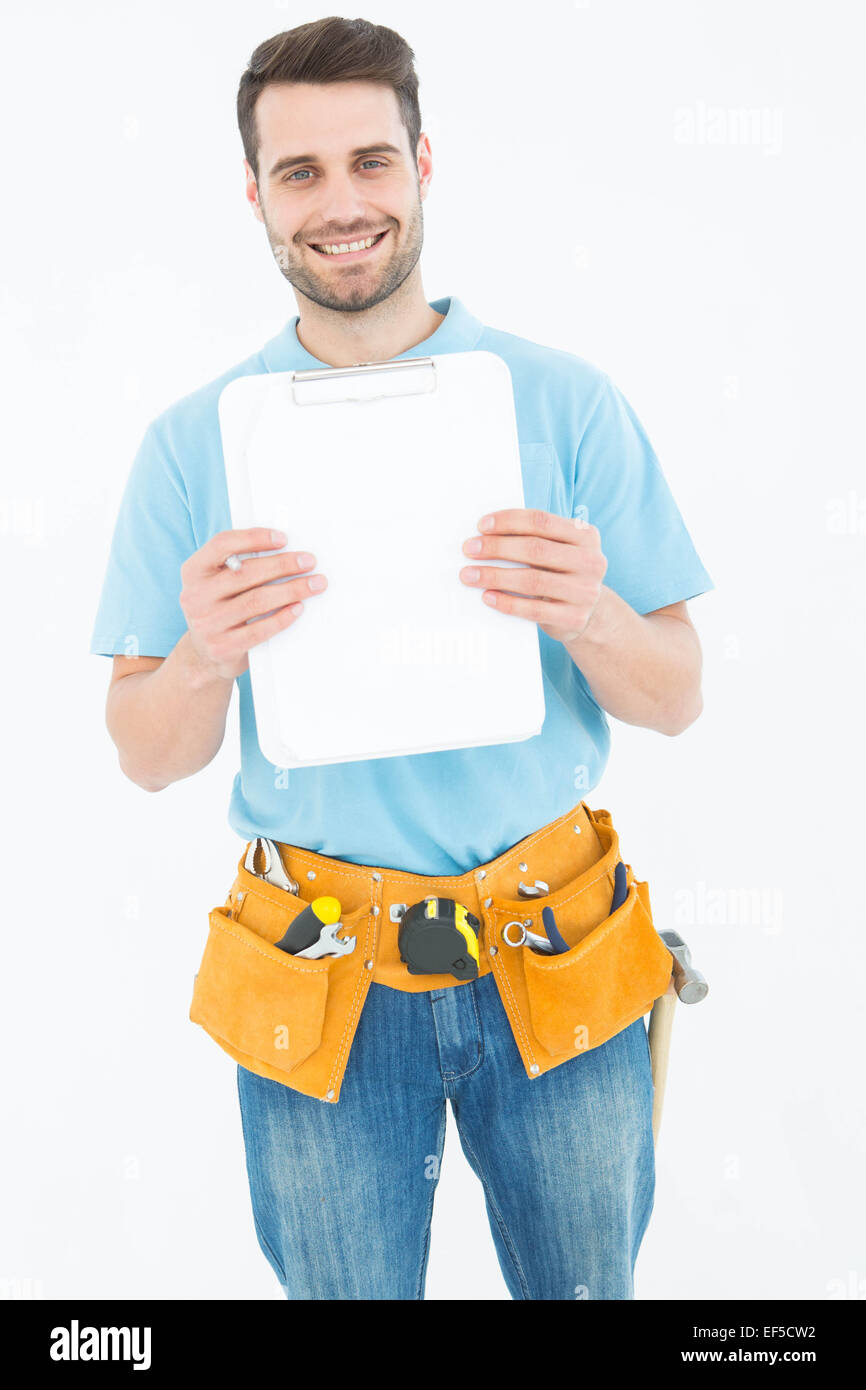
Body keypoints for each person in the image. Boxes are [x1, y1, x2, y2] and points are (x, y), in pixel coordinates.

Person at [90, 16, 714, 1300]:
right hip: (316, 971)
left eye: (370, 161)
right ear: (254, 194)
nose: (342, 204)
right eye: (301, 172)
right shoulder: (187, 444)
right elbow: (146, 756)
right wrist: (204, 658)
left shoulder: (563, 401)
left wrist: (590, 613)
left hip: (556, 946)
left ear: (424, 163)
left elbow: (677, 695)